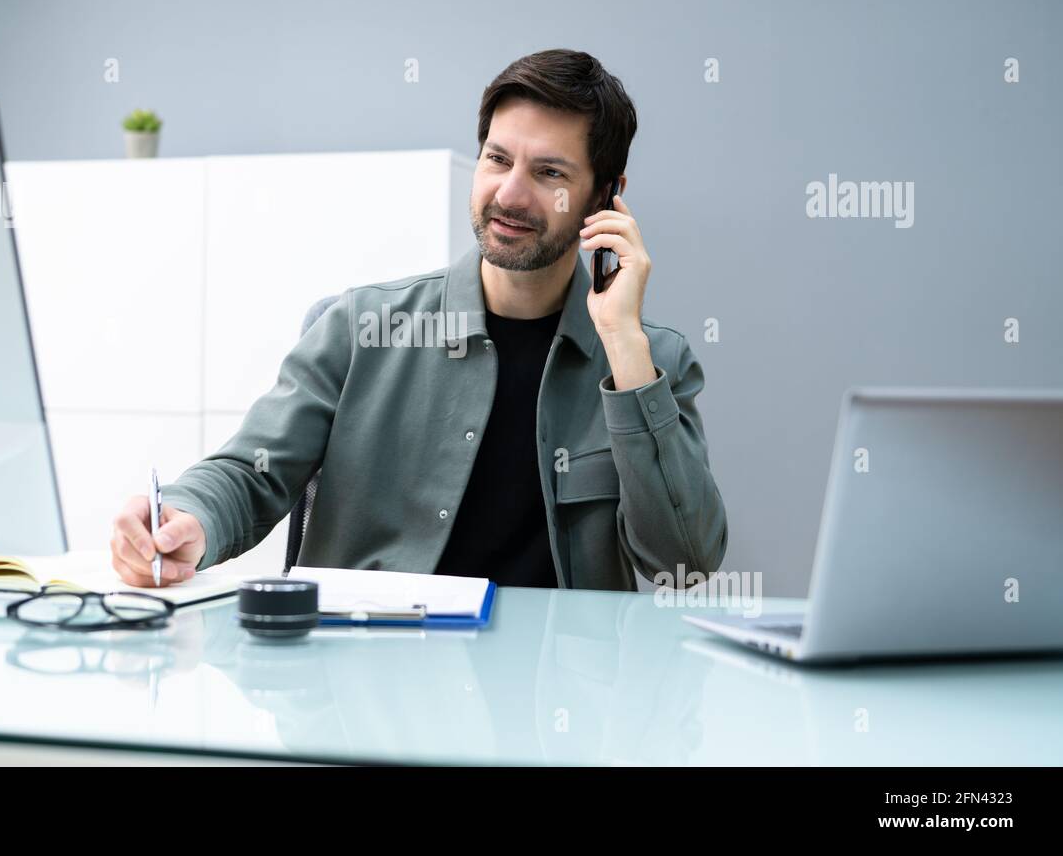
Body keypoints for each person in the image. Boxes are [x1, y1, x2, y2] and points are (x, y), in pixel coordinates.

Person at [111, 48, 727, 591]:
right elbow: (251, 472)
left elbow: (688, 562)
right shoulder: (360, 327)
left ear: (604, 197)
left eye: (549, 173)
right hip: (366, 690)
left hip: (558, 712)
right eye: (497, 159)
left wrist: (623, 344)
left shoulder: (651, 362)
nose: (509, 194)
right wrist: (187, 519)